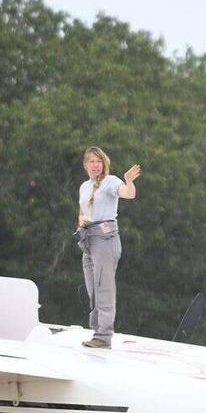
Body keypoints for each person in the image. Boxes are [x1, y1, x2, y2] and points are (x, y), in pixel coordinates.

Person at [77, 146, 141, 349]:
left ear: (104, 163)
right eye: (91, 161)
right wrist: (81, 222)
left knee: (104, 287)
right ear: (86, 165)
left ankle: (104, 336)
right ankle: (98, 330)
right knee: (92, 288)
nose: (95, 165)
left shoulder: (111, 181)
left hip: (105, 237)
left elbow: (128, 194)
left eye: (99, 161)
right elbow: (82, 211)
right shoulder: (84, 187)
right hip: (88, 238)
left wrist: (129, 181)